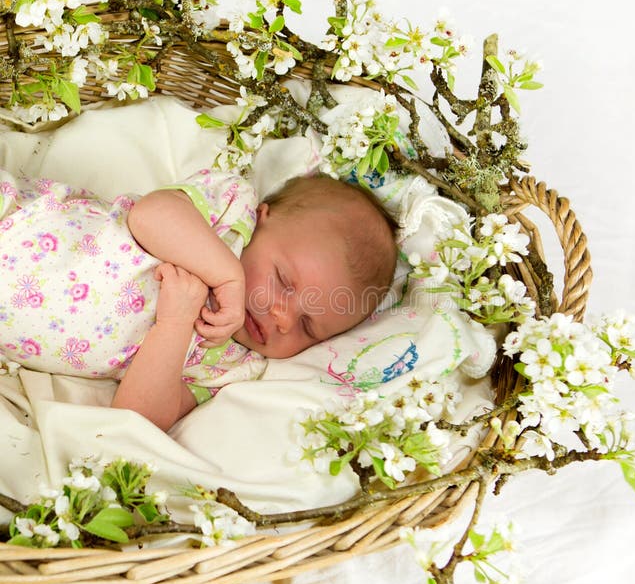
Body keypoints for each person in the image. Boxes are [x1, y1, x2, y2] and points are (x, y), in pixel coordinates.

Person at [0, 167, 398, 431]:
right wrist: (224, 274)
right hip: (16, 220)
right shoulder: (228, 217)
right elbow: (149, 214)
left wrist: (173, 326)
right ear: (262, 218)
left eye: (307, 327)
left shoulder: (234, 364)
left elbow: (136, 417)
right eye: (284, 282)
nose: (281, 318)